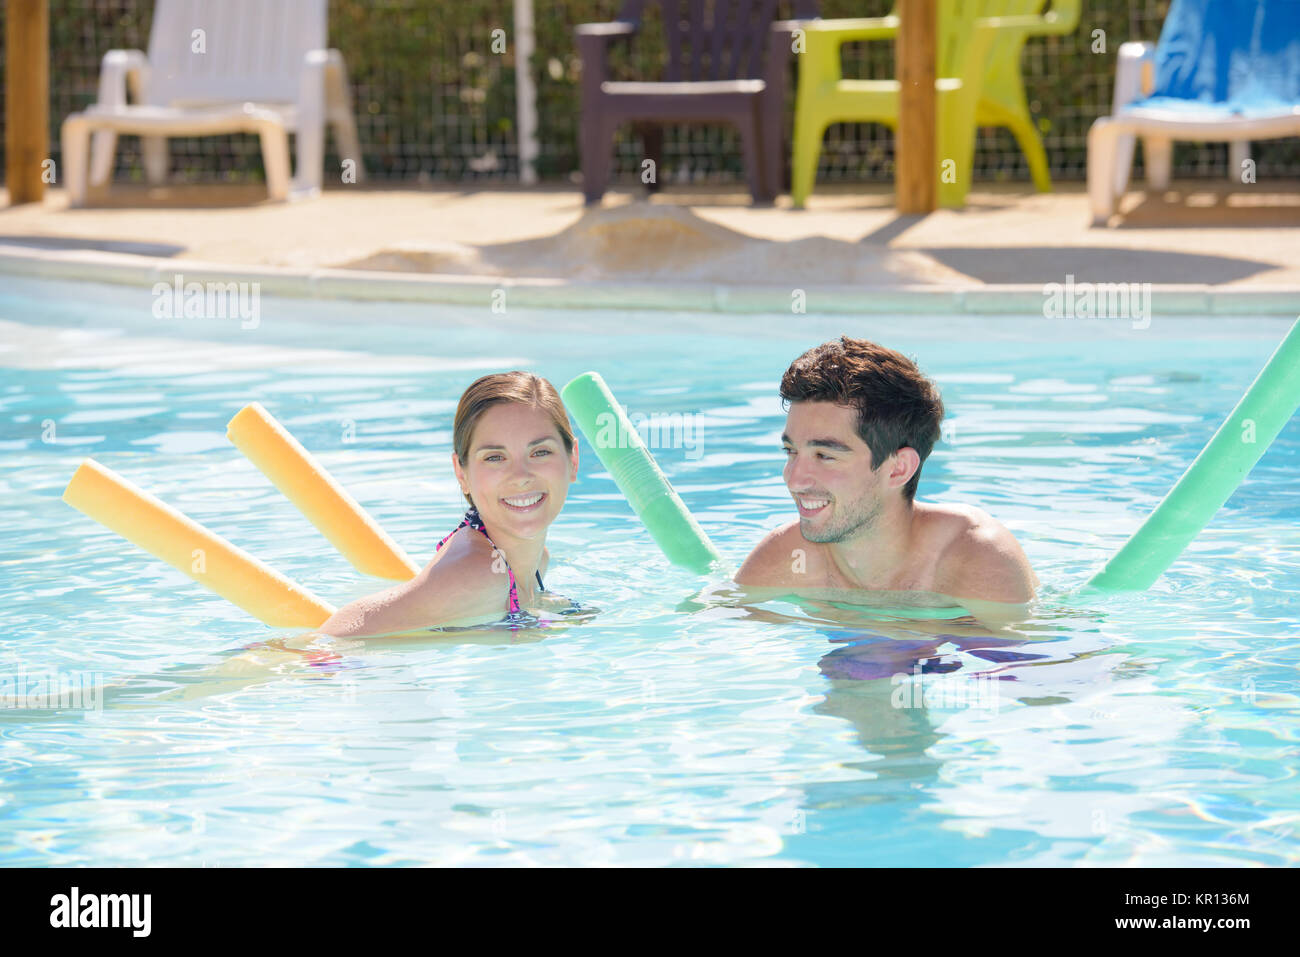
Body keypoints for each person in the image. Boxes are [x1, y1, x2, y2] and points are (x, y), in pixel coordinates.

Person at [735, 336, 1037, 605]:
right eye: (791, 452)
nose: (794, 479)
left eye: (825, 456)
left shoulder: (975, 559)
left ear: (898, 469)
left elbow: (1031, 660)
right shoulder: (789, 557)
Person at [319, 371, 579, 637]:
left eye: (540, 452)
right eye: (495, 457)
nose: (521, 477)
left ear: (573, 460)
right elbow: (329, 639)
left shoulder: (535, 560)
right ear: (461, 473)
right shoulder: (480, 575)